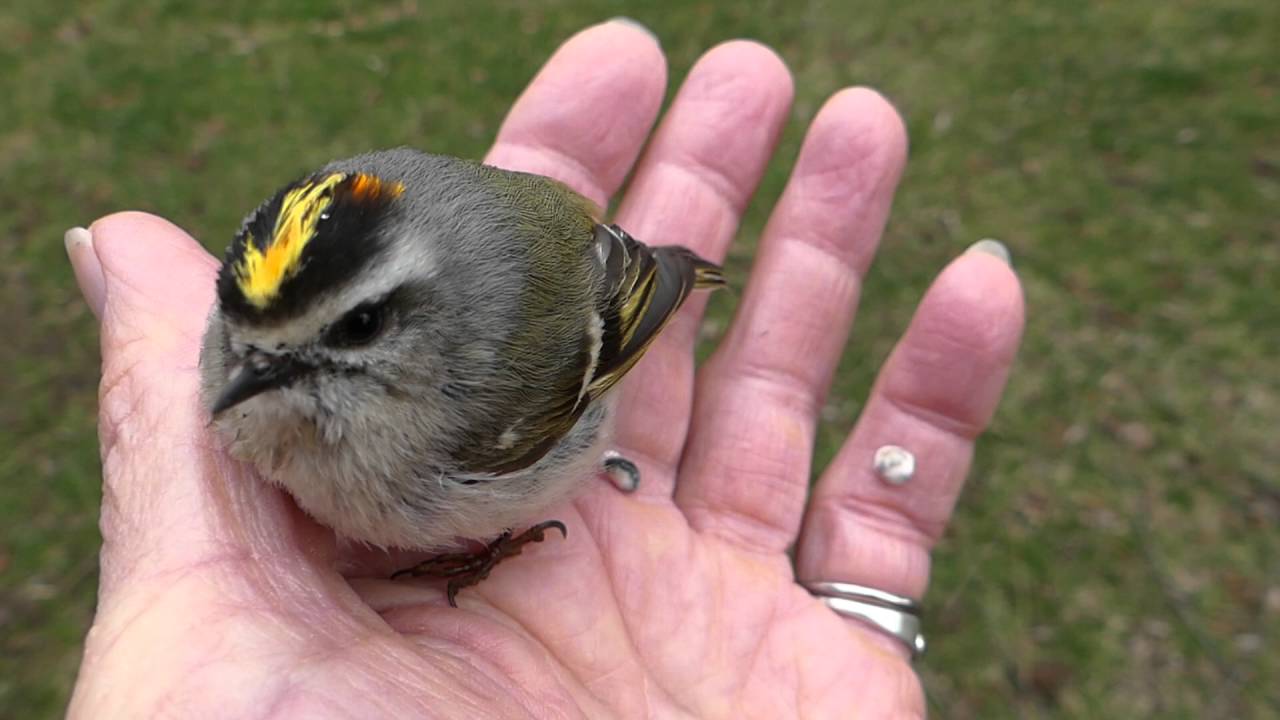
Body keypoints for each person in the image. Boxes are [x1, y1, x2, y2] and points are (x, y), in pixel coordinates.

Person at [63, 19, 1024, 718]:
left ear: (411, 317)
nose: (243, 383)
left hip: (585, 288)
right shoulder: (259, 349)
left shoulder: (474, 401)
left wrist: (664, 277)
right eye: (239, 342)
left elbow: (610, 304)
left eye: (345, 336)